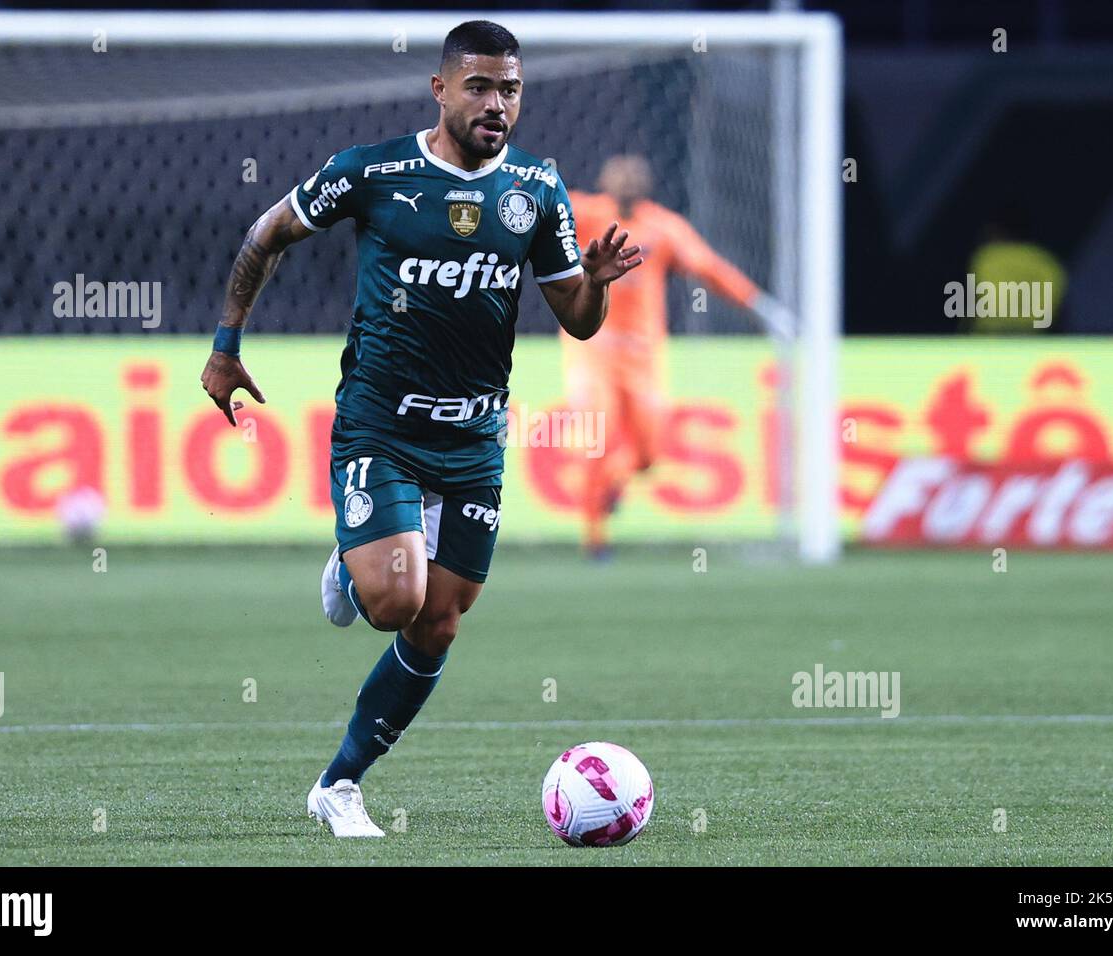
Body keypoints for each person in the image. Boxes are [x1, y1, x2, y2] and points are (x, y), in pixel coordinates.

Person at [198, 20, 642, 837]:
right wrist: (226, 344)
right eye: (479, 86)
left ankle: (338, 785)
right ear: (440, 90)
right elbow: (267, 236)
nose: (496, 104)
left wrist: (600, 285)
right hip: (381, 426)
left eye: (510, 89)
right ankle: (357, 558)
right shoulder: (372, 173)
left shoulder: (538, 190)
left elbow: (576, 319)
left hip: (475, 438)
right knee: (393, 599)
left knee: (440, 620)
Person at [561, 154, 785, 557]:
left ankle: (614, 483)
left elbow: (710, 269)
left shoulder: (663, 228)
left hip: (643, 355)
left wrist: (759, 306)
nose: (628, 181)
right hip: (593, 348)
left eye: (635, 175)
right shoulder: (587, 212)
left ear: (648, 182)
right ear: (604, 179)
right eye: (620, 174)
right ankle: (594, 540)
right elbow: (538, 216)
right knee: (600, 436)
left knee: (649, 454)